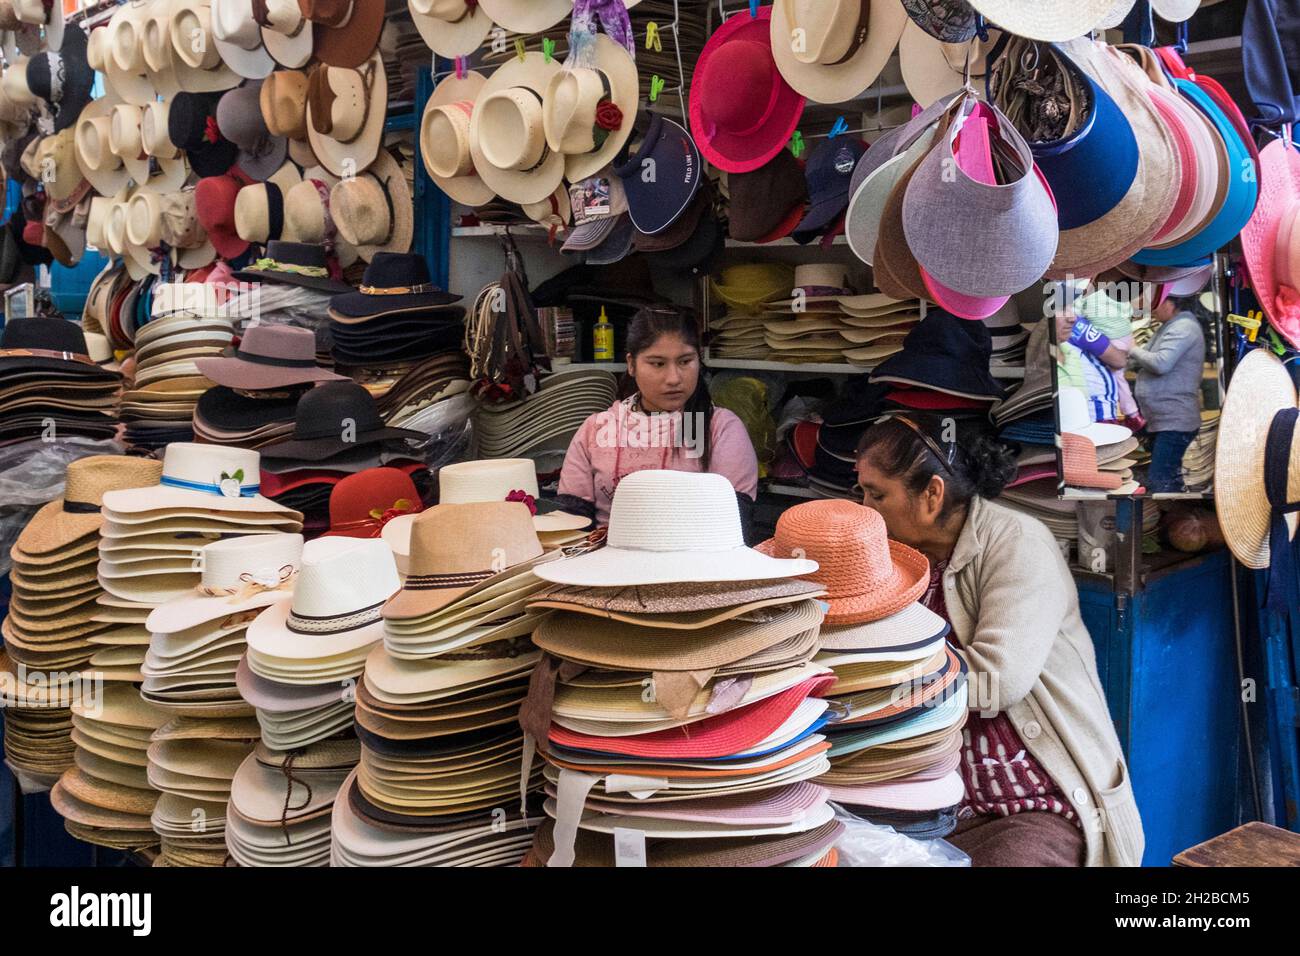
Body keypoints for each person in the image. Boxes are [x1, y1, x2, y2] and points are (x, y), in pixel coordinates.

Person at [855, 414, 1145, 867]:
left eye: (877, 494)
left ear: (931, 495)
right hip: (932, 796)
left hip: (1025, 800)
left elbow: (996, 681)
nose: (865, 510)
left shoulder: (1016, 543)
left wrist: (875, 687)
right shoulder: (902, 558)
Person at [557, 308, 759, 537]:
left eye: (685, 361)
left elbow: (733, 528)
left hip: (694, 568)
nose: (674, 378)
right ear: (631, 365)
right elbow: (571, 524)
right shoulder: (596, 429)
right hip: (606, 565)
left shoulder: (720, 428)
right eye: (657, 364)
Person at [1129, 294, 1207, 493]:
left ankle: (1181, 522)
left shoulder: (1184, 327)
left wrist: (1131, 349)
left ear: (1171, 303)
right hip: (1163, 420)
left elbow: (1161, 363)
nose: (1153, 308)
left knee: (1161, 482)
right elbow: (1145, 360)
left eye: (1157, 302)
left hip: (1174, 422)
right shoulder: (1170, 326)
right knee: (1163, 479)